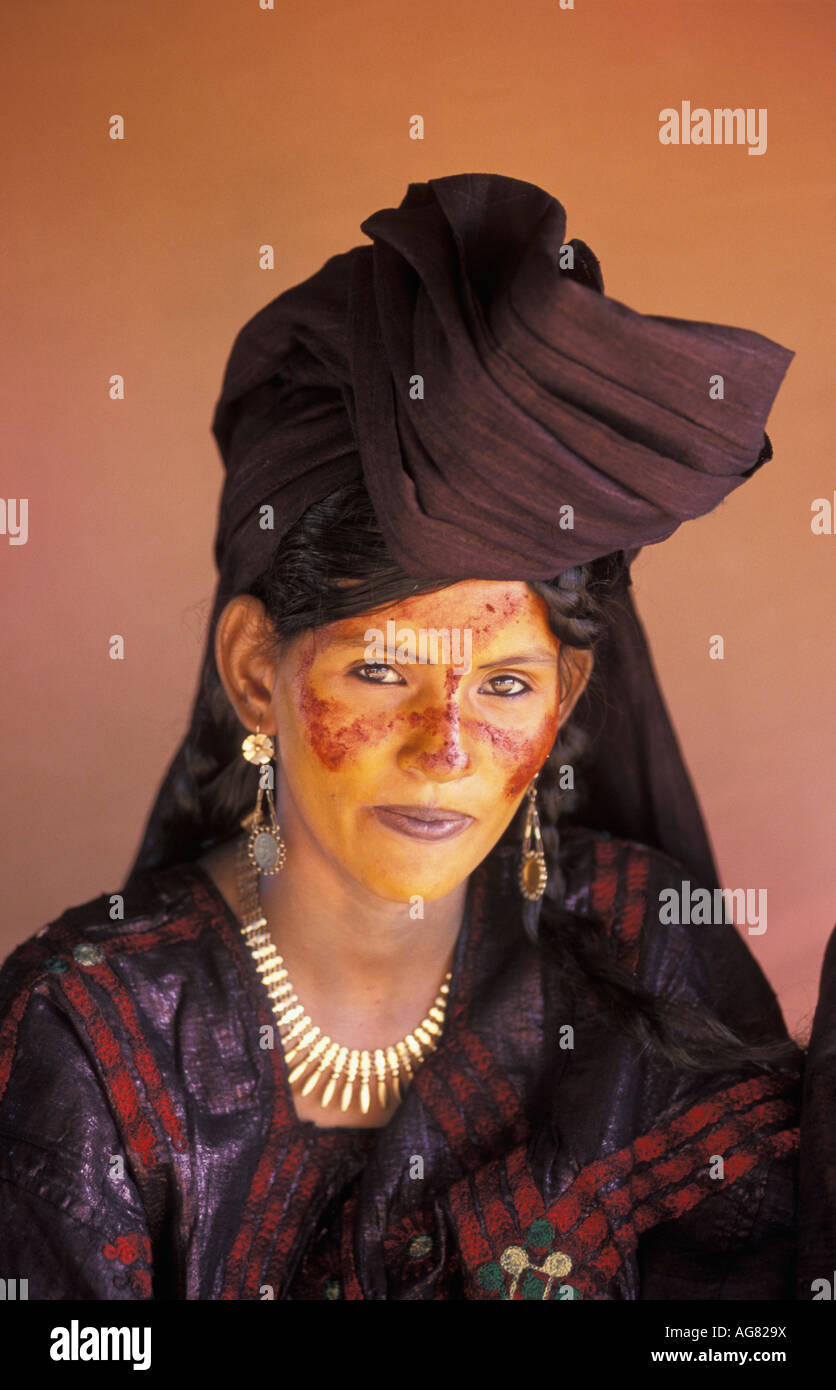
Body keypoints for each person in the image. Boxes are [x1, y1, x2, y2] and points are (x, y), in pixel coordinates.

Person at [0, 173, 801, 1300]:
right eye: (381, 670)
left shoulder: (648, 956)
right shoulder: (93, 1034)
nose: (447, 749)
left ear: (567, 696)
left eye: (507, 684)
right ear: (253, 674)